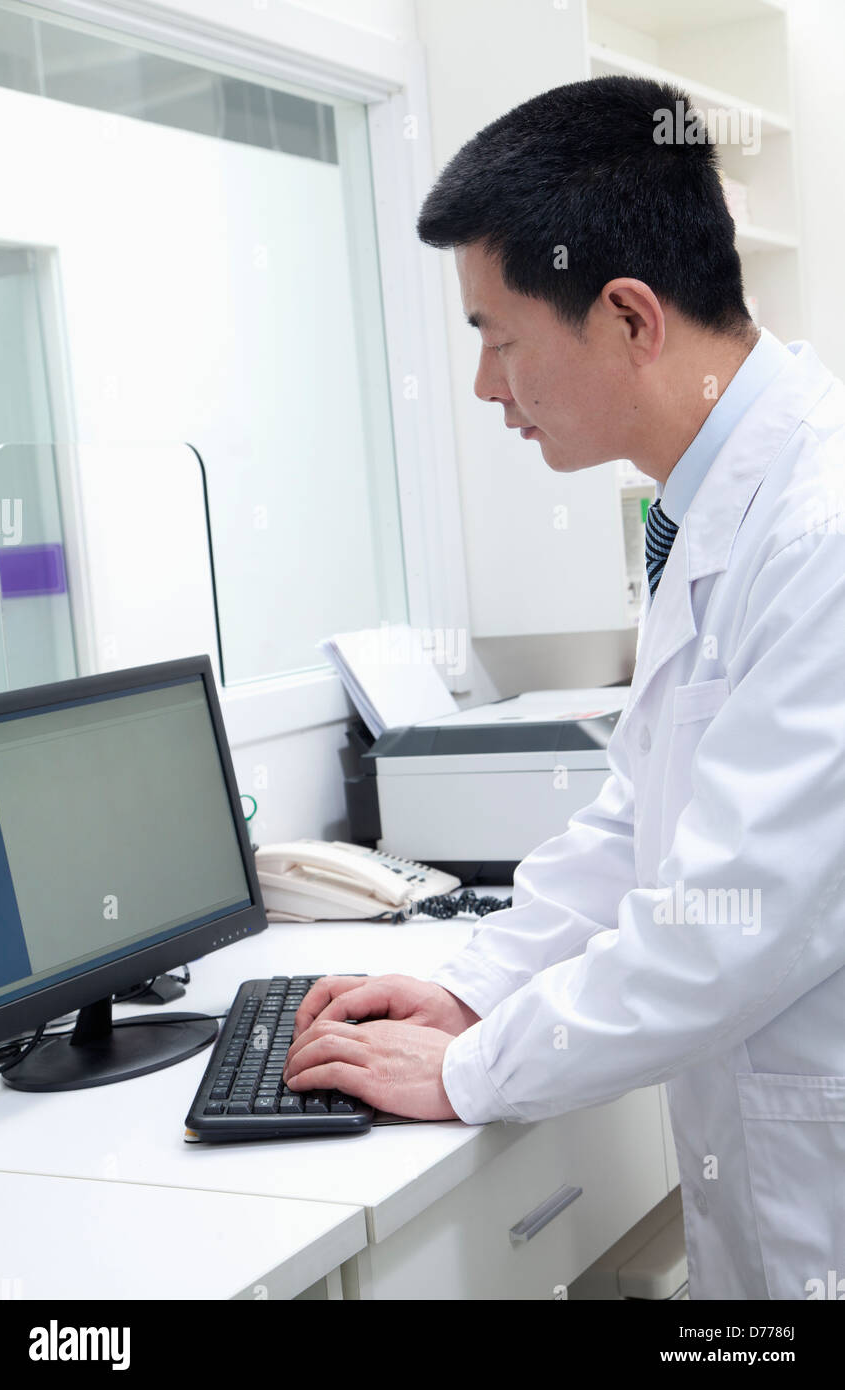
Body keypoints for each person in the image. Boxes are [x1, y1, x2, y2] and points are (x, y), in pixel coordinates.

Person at [283, 76, 845, 1301]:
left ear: (627, 317)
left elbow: (729, 920)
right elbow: (640, 817)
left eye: (497, 337)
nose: (485, 386)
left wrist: (468, 1071)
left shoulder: (819, 534)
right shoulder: (708, 504)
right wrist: (470, 982)